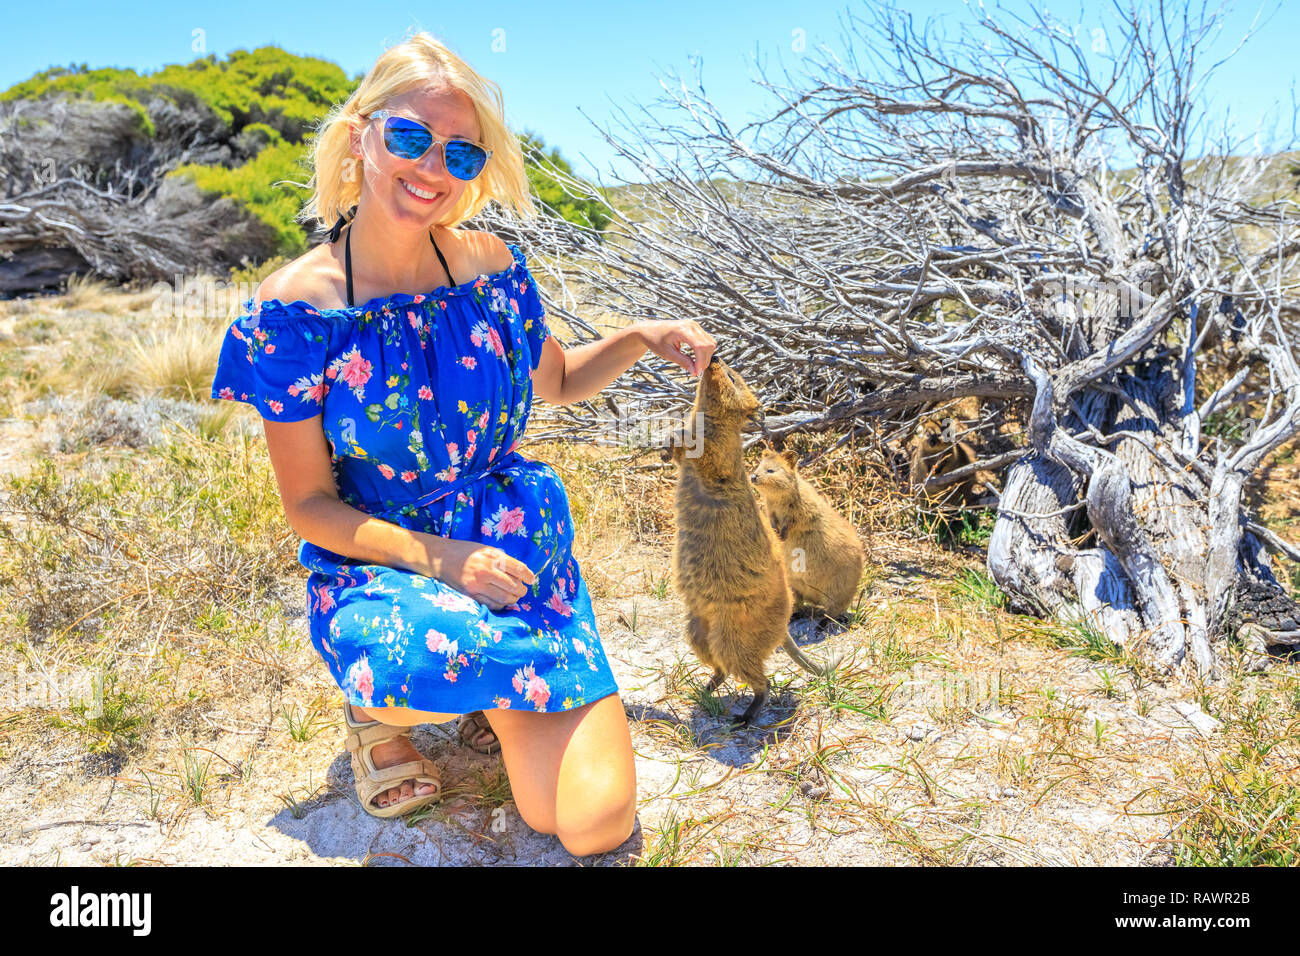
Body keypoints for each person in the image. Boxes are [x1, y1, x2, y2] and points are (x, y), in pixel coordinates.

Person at [210, 32, 715, 857]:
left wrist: (635, 337)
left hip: (514, 551)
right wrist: (441, 560)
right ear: (360, 134)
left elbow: (554, 380)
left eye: (462, 152)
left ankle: (497, 690)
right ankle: (388, 714)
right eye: (409, 137)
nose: (432, 167)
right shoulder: (296, 311)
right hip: (390, 558)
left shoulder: (491, 266)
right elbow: (309, 505)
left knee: (590, 827)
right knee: (418, 664)